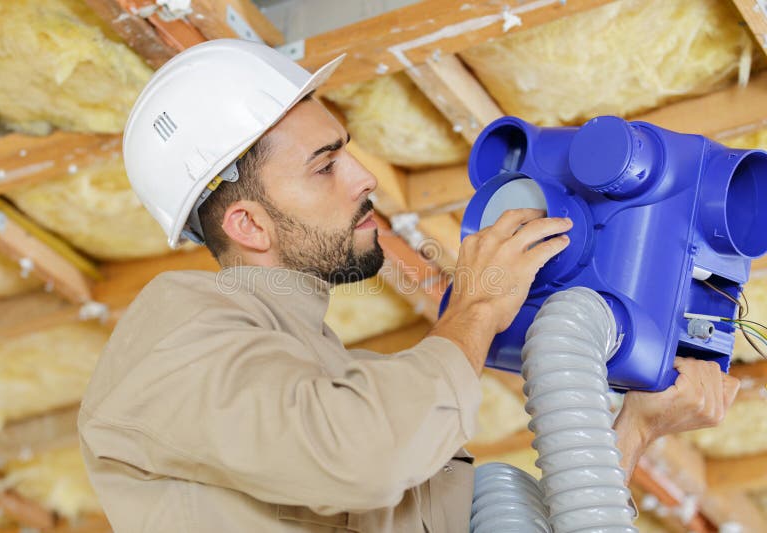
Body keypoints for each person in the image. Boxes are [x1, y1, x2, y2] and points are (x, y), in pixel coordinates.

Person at [78, 39, 739, 532]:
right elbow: (359, 450)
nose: (363, 177)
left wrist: (633, 431)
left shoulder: (306, 383)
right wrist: (477, 307)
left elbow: (556, 519)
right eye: (325, 165)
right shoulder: (174, 338)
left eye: (347, 150)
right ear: (249, 223)